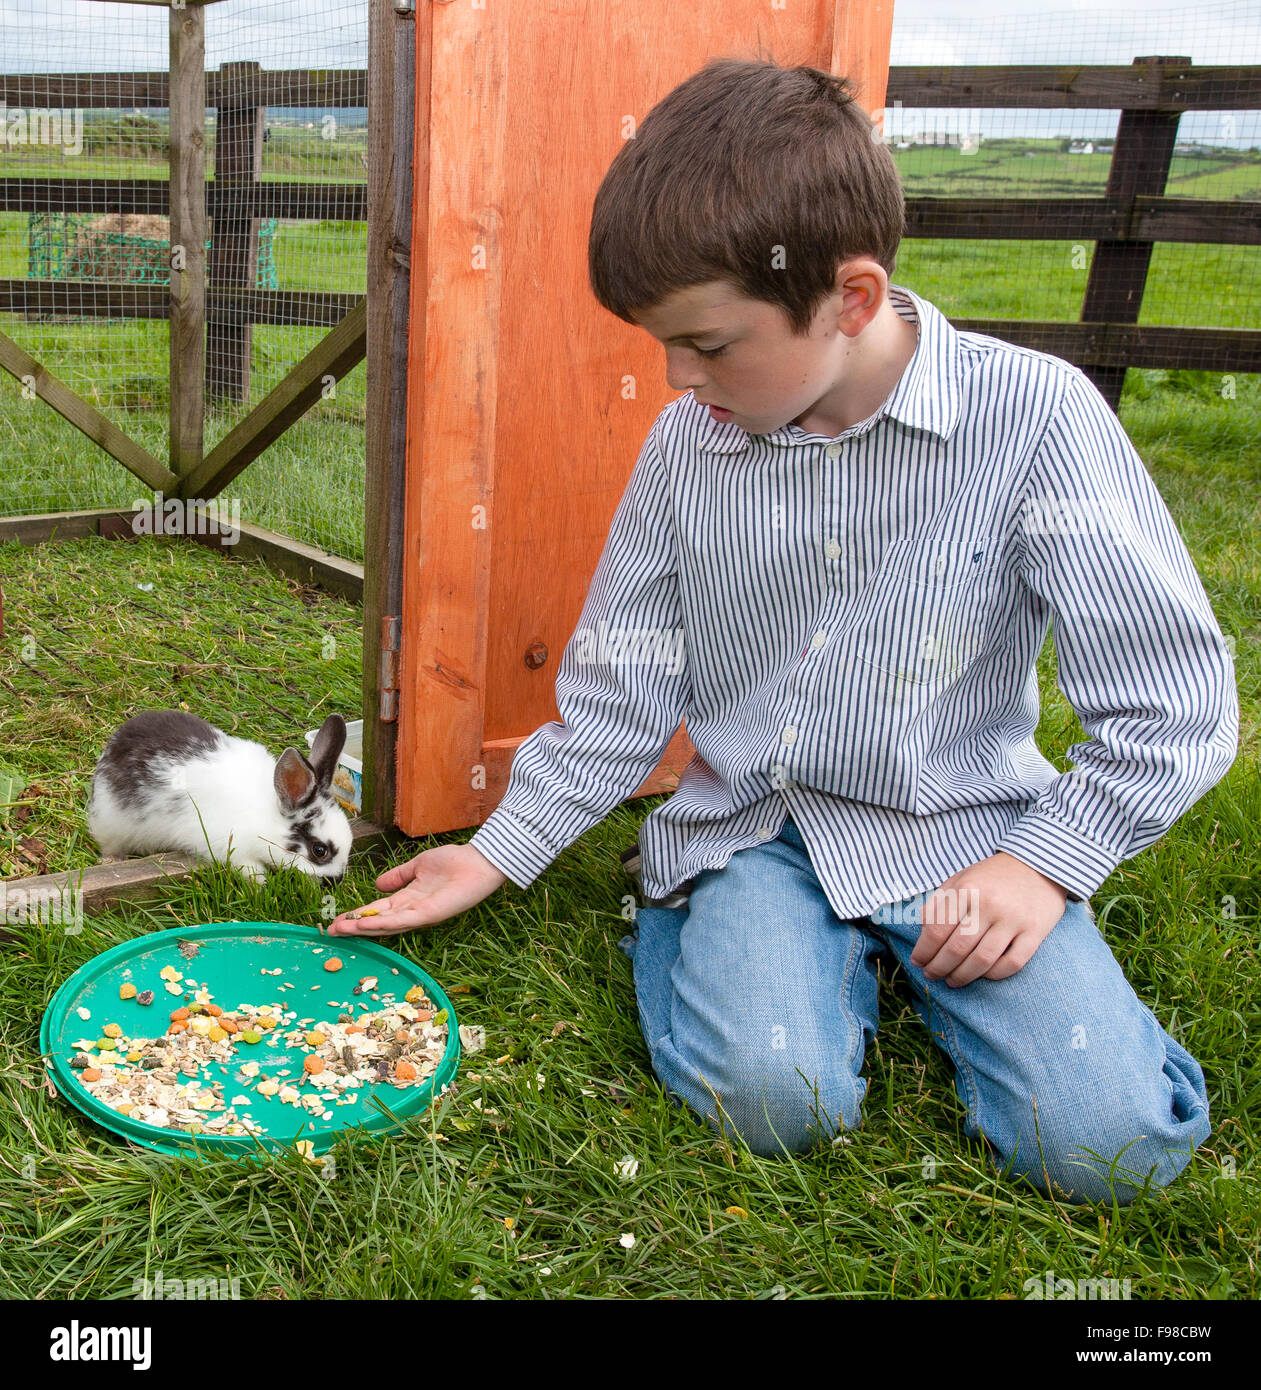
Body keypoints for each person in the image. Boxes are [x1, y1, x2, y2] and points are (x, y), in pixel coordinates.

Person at [327, 58, 1238, 1204]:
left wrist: (1043, 868)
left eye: (707, 344)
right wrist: (495, 850)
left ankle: (929, 961)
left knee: (1108, 1150)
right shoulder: (685, 446)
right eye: (662, 344)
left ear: (849, 300)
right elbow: (622, 687)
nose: (671, 377)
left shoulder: (1039, 420)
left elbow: (1175, 703)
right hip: (754, 828)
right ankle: (740, 936)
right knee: (767, 1100)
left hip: (965, 835)